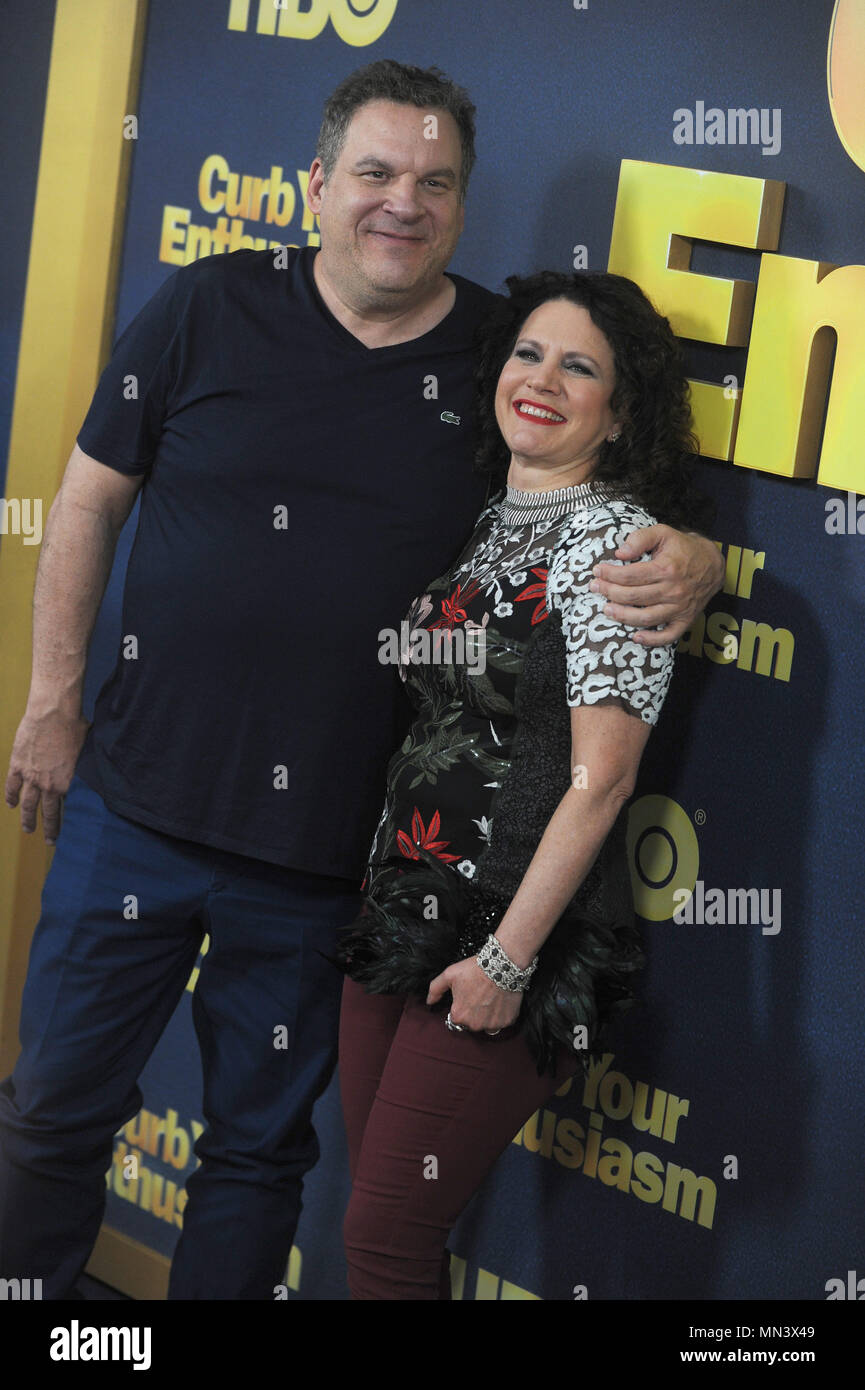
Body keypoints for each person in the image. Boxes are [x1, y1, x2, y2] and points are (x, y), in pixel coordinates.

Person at [0, 61, 723, 1301]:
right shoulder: (208, 304)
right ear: (319, 183)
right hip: (131, 804)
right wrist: (53, 700)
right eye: (376, 174)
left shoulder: (497, 355)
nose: (403, 202)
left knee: (253, 1155)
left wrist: (699, 555)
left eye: (434, 182)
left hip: (322, 855)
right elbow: (83, 501)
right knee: (50, 1116)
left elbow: (601, 466)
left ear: (461, 204)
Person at [337, 268, 713, 1301]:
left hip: (506, 938)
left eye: (578, 366)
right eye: (528, 353)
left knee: (384, 1236)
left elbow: (604, 776)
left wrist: (504, 962)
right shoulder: (493, 518)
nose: (541, 379)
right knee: (379, 1225)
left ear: (620, 408)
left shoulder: (616, 545)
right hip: (399, 916)